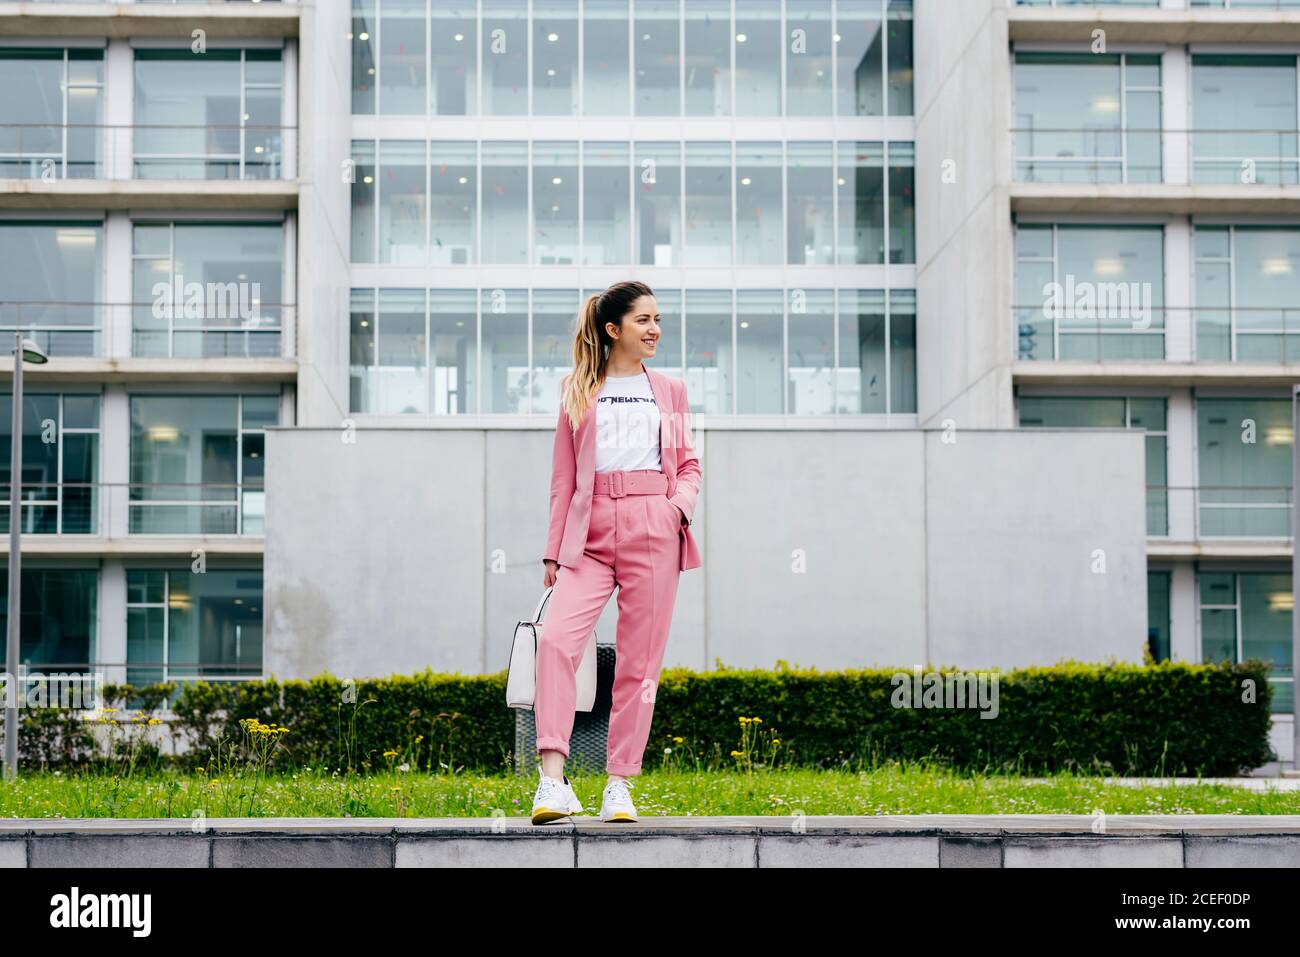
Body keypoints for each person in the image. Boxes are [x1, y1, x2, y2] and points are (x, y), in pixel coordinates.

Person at [531, 280, 702, 824]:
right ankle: (553, 782)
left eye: (657, 319)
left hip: (653, 520)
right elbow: (563, 478)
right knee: (556, 642)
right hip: (590, 530)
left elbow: (690, 463)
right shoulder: (577, 388)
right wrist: (553, 551)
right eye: (643, 321)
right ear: (613, 329)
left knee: (639, 662)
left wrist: (676, 508)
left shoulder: (670, 390)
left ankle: (619, 784)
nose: (655, 329)